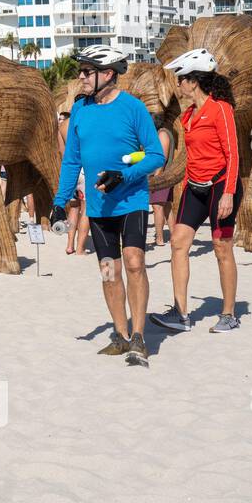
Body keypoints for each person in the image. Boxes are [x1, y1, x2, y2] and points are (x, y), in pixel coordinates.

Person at [49, 46, 164, 366]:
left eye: (87, 72)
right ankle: (121, 334)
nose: (81, 77)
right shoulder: (80, 111)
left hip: (131, 200)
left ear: (108, 74)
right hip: (98, 208)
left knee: (134, 262)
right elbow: (72, 160)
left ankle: (138, 336)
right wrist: (59, 203)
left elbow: (155, 155)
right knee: (109, 271)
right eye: (80, 72)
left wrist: (123, 175)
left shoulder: (133, 108)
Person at [150, 48, 243, 334]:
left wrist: (228, 193)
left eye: (181, 80)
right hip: (195, 187)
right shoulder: (188, 115)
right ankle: (181, 314)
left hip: (221, 186)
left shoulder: (221, 109)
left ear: (194, 81)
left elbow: (233, 154)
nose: (178, 85)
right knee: (178, 243)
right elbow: (192, 157)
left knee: (221, 248)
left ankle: (228, 314)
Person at [57, 110, 90, 255]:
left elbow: (62, 152)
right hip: (83, 169)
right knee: (86, 210)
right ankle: (80, 248)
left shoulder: (62, 126)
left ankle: (69, 245)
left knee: (73, 208)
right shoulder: (84, 122)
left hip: (70, 172)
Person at [148, 115, 177, 250]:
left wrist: (156, 178)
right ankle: (173, 235)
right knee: (166, 207)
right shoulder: (162, 133)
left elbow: (162, 159)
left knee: (157, 206)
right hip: (165, 176)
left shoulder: (162, 134)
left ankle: (159, 238)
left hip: (162, 177)